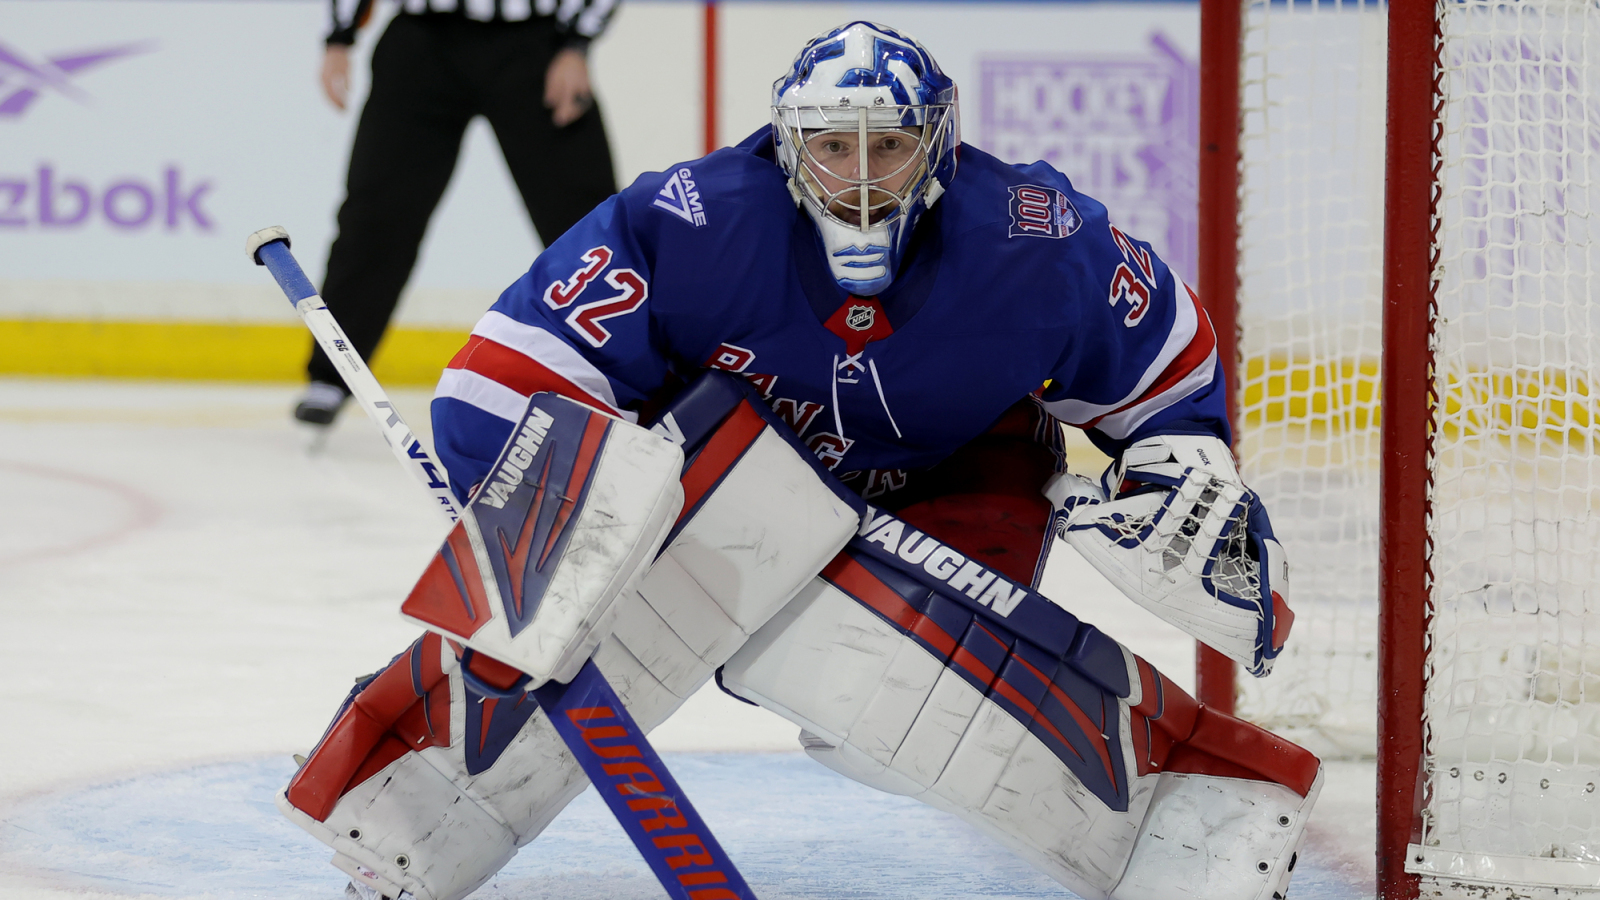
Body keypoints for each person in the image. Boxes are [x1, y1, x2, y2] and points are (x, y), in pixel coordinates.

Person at [277, 22, 1322, 900]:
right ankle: (413, 796)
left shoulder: (1037, 243)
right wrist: (548, 522)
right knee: (609, 568)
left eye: (890, 149)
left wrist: (1181, 478)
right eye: (832, 147)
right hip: (736, 488)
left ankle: (1179, 822)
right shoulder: (689, 221)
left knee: (874, 716)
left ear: (940, 147)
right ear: (788, 146)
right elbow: (493, 391)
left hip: (957, 483)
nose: (860, 179)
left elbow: (1171, 375)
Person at [293, 0, 619, 425]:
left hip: (537, 44)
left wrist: (577, 44)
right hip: (422, 42)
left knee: (587, 223)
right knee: (377, 215)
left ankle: (630, 373)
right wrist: (340, 35)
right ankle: (333, 373)